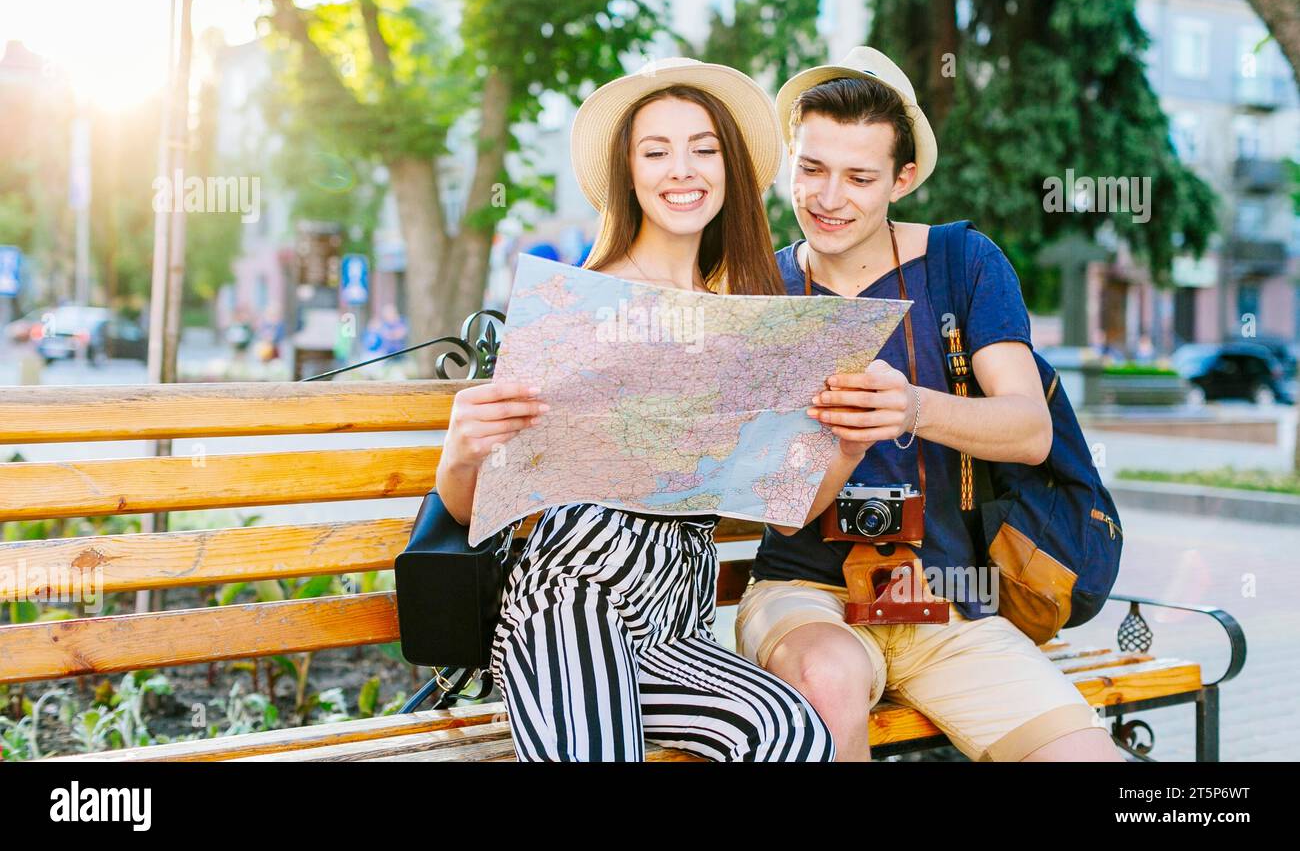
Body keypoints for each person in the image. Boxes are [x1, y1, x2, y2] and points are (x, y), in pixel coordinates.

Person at [435, 58, 836, 762]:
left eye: (704, 148)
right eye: (656, 151)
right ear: (629, 173)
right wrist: (461, 452)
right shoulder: (575, 304)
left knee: (791, 733)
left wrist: (849, 444)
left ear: (731, 169)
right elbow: (474, 510)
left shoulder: (744, 323)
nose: (682, 169)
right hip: (575, 600)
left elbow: (788, 505)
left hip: (678, 618)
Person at [735, 47, 1122, 762]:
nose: (827, 197)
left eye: (859, 177)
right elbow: (760, 491)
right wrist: (834, 447)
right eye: (811, 169)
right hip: (804, 595)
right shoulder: (759, 285)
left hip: (948, 600)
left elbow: (1029, 431)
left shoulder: (963, 261)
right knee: (829, 680)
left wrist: (914, 407)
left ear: (903, 179)